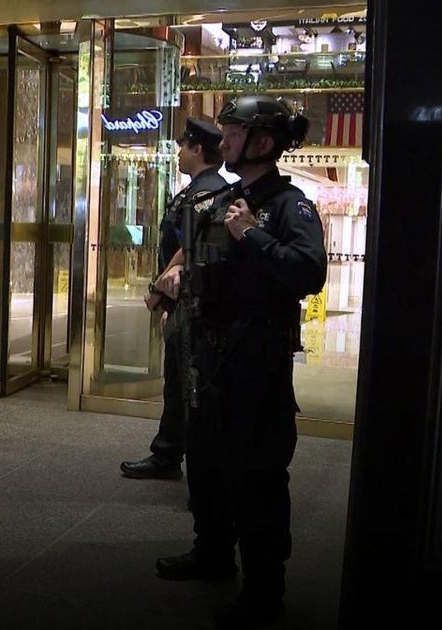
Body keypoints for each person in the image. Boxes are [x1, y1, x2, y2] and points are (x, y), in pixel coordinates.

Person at [153, 95, 325, 630]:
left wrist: (251, 233)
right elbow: (193, 253)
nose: (222, 143)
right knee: (205, 460)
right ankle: (211, 553)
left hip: (257, 360)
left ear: (263, 143)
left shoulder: (289, 204)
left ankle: (264, 589)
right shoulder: (221, 197)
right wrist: (171, 282)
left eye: (232, 133)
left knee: (257, 476)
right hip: (209, 355)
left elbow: (308, 272)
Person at [121, 118, 228, 480]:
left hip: (193, 302)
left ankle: (191, 467)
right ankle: (168, 454)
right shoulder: (199, 190)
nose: (179, 153)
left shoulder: (206, 194)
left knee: (188, 385)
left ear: (198, 149)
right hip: (183, 300)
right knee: (178, 381)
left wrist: (155, 290)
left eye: (183, 146)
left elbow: (189, 246)